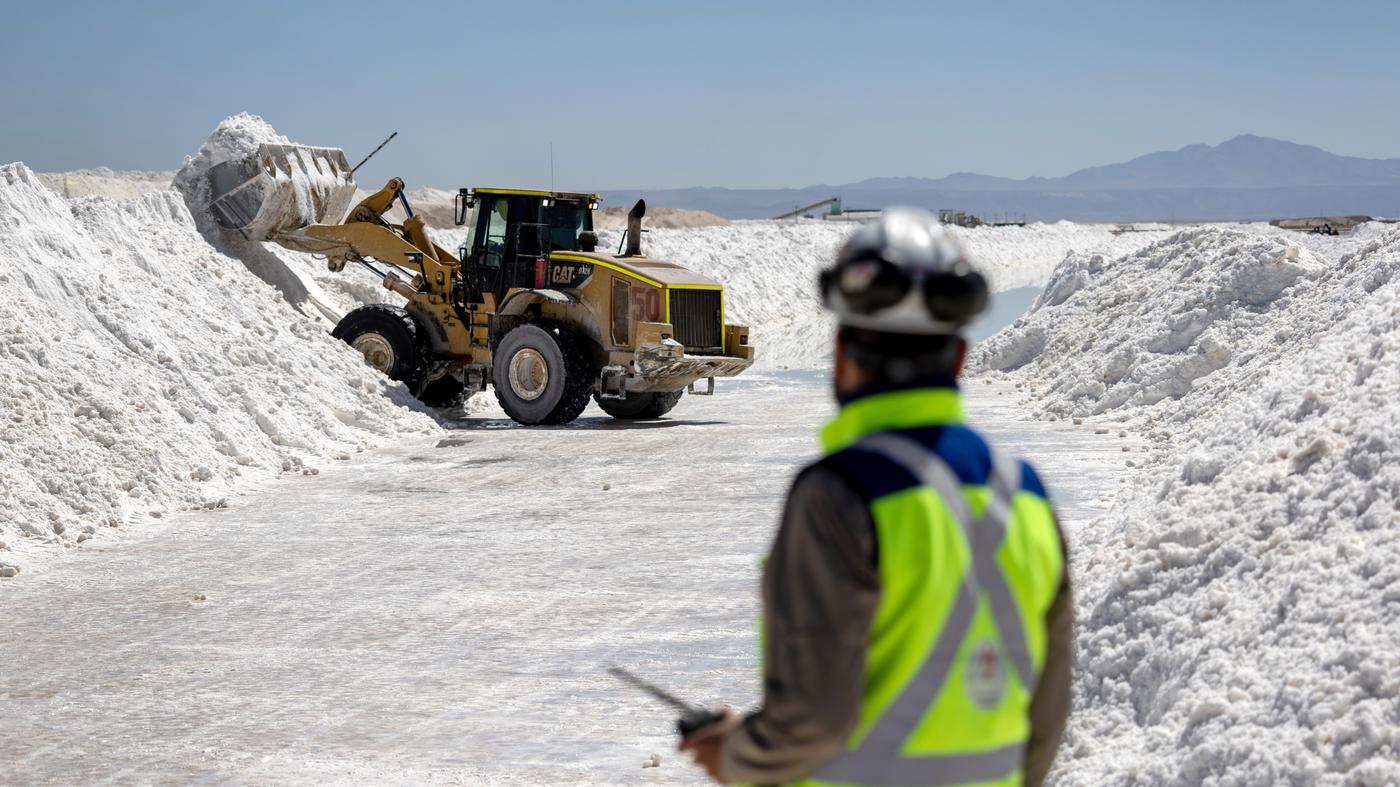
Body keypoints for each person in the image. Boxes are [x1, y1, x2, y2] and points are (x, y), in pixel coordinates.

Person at [680, 208, 1073, 786]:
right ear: (960, 359)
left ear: (840, 357)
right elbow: (1045, 718)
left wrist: (735, 755)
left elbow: (815, 721)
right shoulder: (1028, 494)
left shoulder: (838, 497)